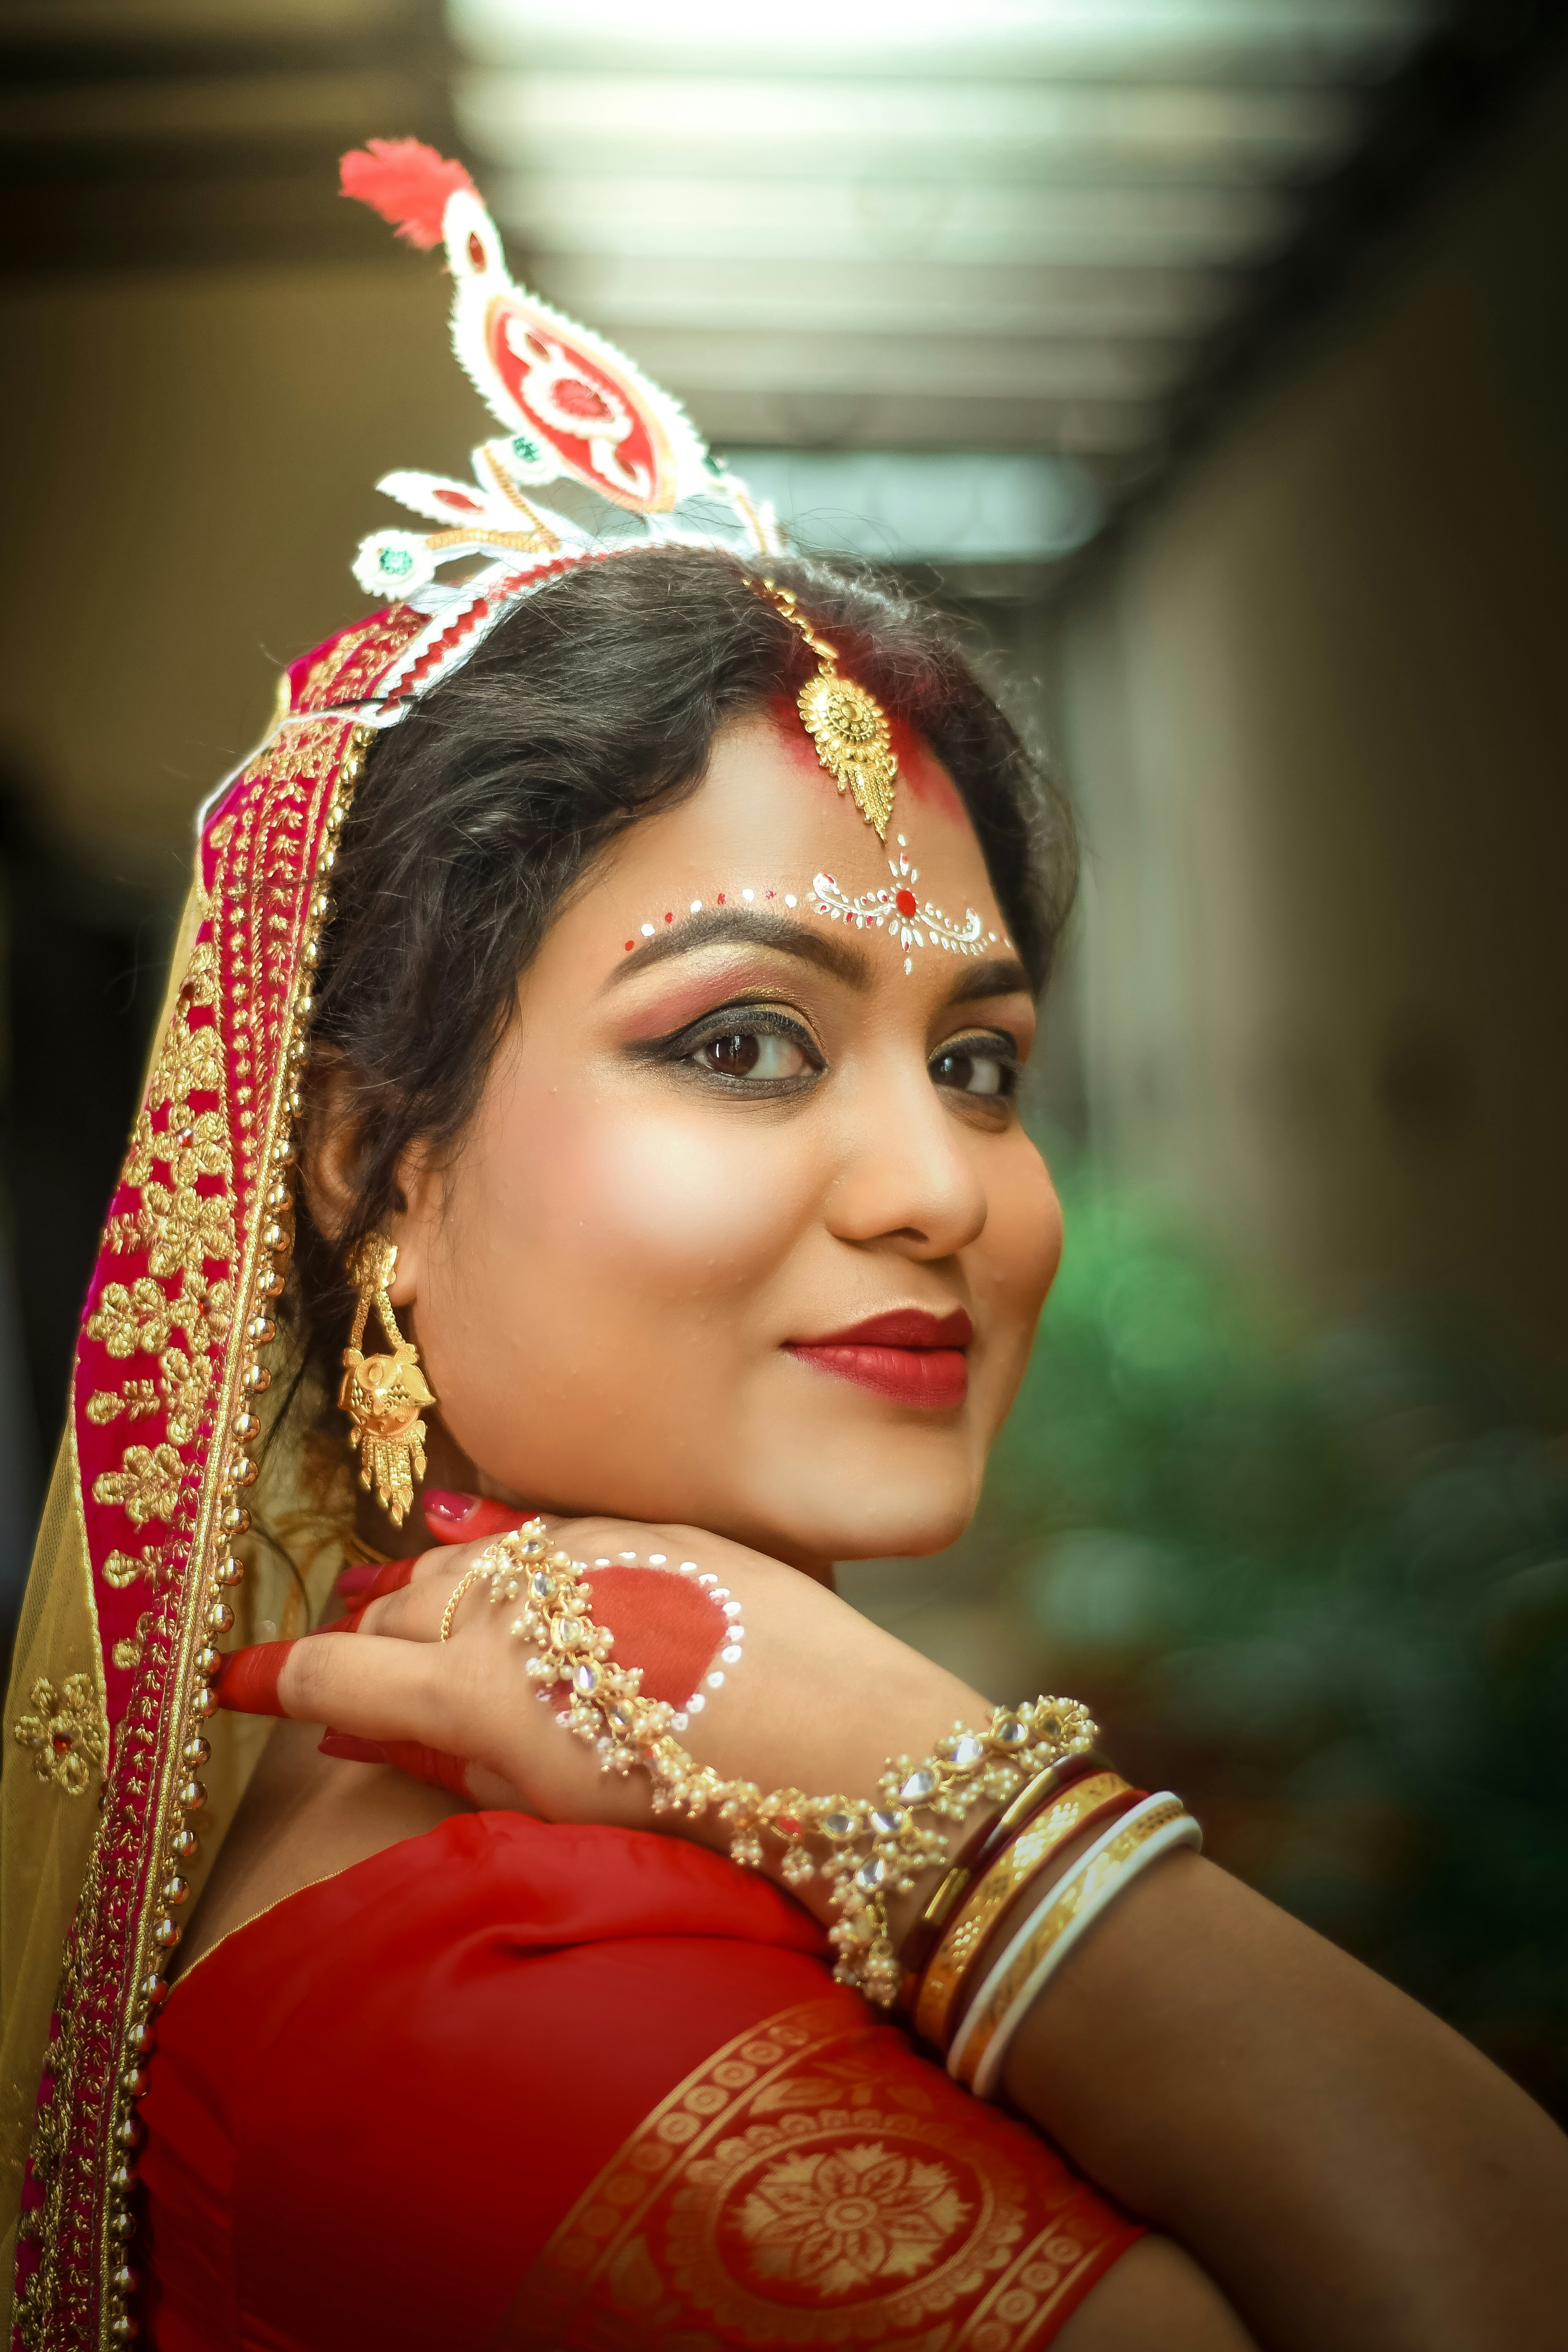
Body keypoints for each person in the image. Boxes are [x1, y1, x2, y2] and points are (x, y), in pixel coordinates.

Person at [1, 143, 1563, 2352]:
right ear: (374, 1161)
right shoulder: (475, 1999)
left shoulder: (595, 1815)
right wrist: (951, 1807)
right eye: (742, 1042)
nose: (939, 1186)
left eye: (986, 1063)